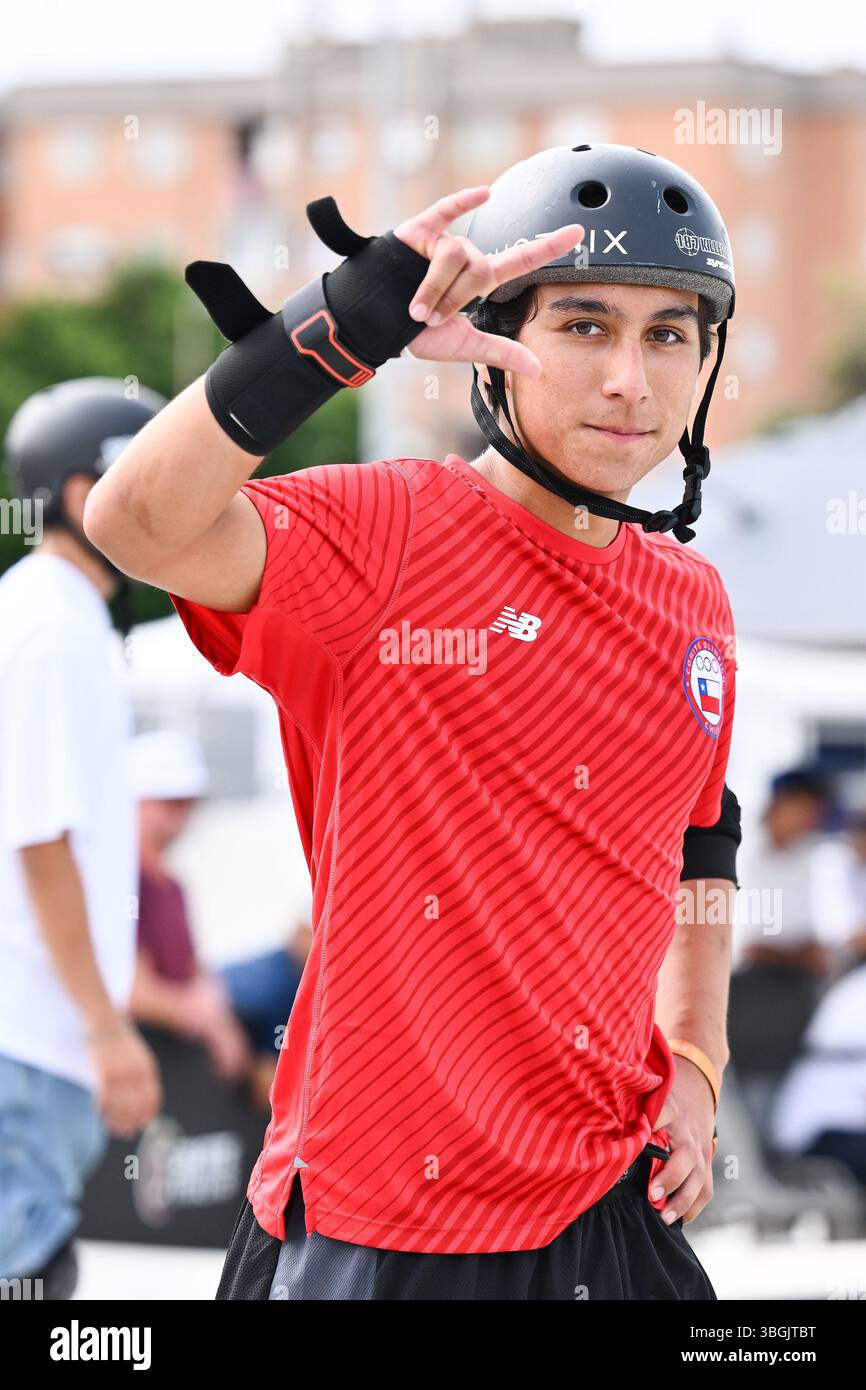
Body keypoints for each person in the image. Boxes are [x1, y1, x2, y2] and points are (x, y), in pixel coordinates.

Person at [83, 144, 742, 1300]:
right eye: (582, 327)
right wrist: (336, 326)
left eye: (666, 334)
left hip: (606, 1209)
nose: (629, 379)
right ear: (494, 341)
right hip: (380, 1228)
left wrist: (693, 1057)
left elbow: (698, 837)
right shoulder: (384, 536)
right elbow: (136, 524)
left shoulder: (691, 598)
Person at [0, 379, 163, 1299]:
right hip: (31, 1036)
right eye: (143, 481)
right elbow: (41, 842)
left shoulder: (52, 617)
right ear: (80, 497)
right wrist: (105, 1029)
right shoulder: (52, 630)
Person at [128, 727, 310, 1109]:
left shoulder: (171, 886)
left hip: (179, 1068)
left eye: (188, 802)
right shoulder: (123, 880)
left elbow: (195, 972)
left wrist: (217, 1018)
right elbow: (131, 991)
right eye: (170, 801)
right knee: (284, 971)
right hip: (145, 1071)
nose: (182, 815)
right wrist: (207, 1021)